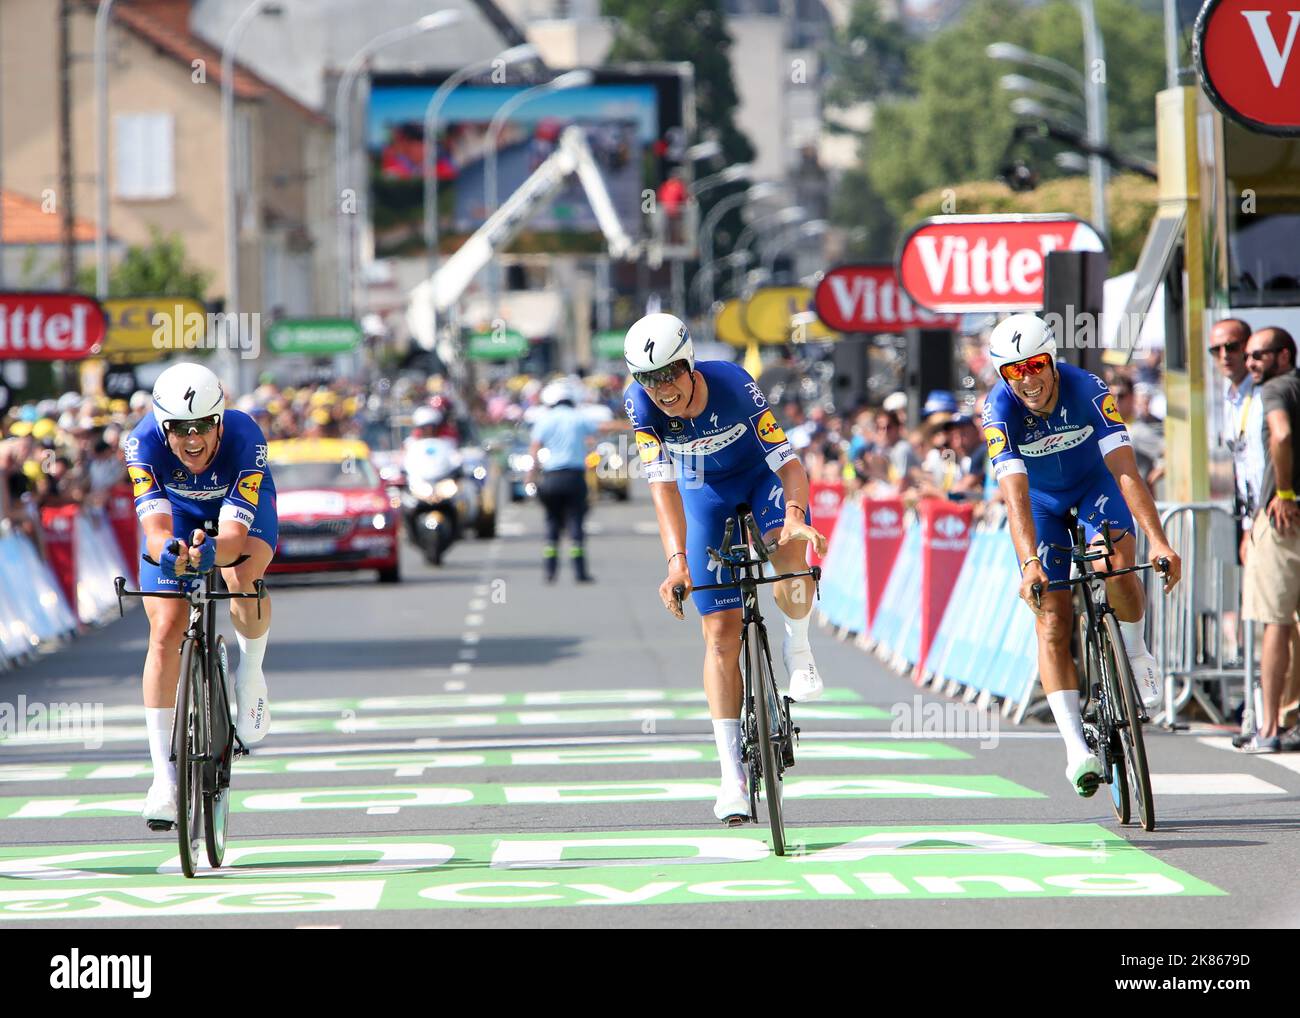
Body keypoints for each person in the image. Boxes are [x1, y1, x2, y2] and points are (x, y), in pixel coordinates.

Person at [622, 313, 828, 823]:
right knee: (719, 634)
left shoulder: (734, 385)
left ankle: (797, 649)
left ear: (690, 365)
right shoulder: (640, 406)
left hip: (759, 477)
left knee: (786, 554)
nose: (661, 388)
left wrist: (797, 520)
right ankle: (731, 775)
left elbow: (789, 464)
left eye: (669, 373)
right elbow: (663, 485)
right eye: (648, 378)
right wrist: (676, 564)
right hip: (702, 490)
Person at [981, 313, 1182, 796]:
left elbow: (1126, 470)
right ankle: (1075, 747)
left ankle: (1134, 653)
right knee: (1051, 617)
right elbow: (1013, 493)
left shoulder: (1087, 387)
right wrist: (1029, 563)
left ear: (1051, 359)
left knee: (1114, 565)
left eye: (1034, 365)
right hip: (1041, 503)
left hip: (1095, 485)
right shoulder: (997, 410)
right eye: (1013, 371)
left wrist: (1158, 541)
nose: (1026, 379)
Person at [126, 363, 277, 829]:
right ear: (162, 426)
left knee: (240, 579)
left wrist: (213, 551)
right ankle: (163, 781)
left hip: (236, 514)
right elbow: (153, 530)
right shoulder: (140, 443)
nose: (193, 439)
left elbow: (232, 537)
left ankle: (249, 675)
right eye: (180, 430)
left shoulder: (246, 438)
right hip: (177, 515)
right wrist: (171, 551)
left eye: (203, 427)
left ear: (219, 420)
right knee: (165, 630)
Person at [1240, 328, 1300, 753]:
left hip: (1284, 519)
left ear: (1284, 355)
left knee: (1275, 624)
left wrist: (1284, 492)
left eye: (1258, 355)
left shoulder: (1277, 389)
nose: (1250, 364)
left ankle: (1270, 728)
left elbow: (1280, 434)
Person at [529, 379, 601, 583]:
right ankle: (580, 572)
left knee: (552, 523)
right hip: (574, 478)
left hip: (551, 478)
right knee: (575, 524)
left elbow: (534, 449)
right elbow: (593, 436)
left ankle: (550, 572)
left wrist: (530, 477)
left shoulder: (545, 419)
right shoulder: (578, 418)